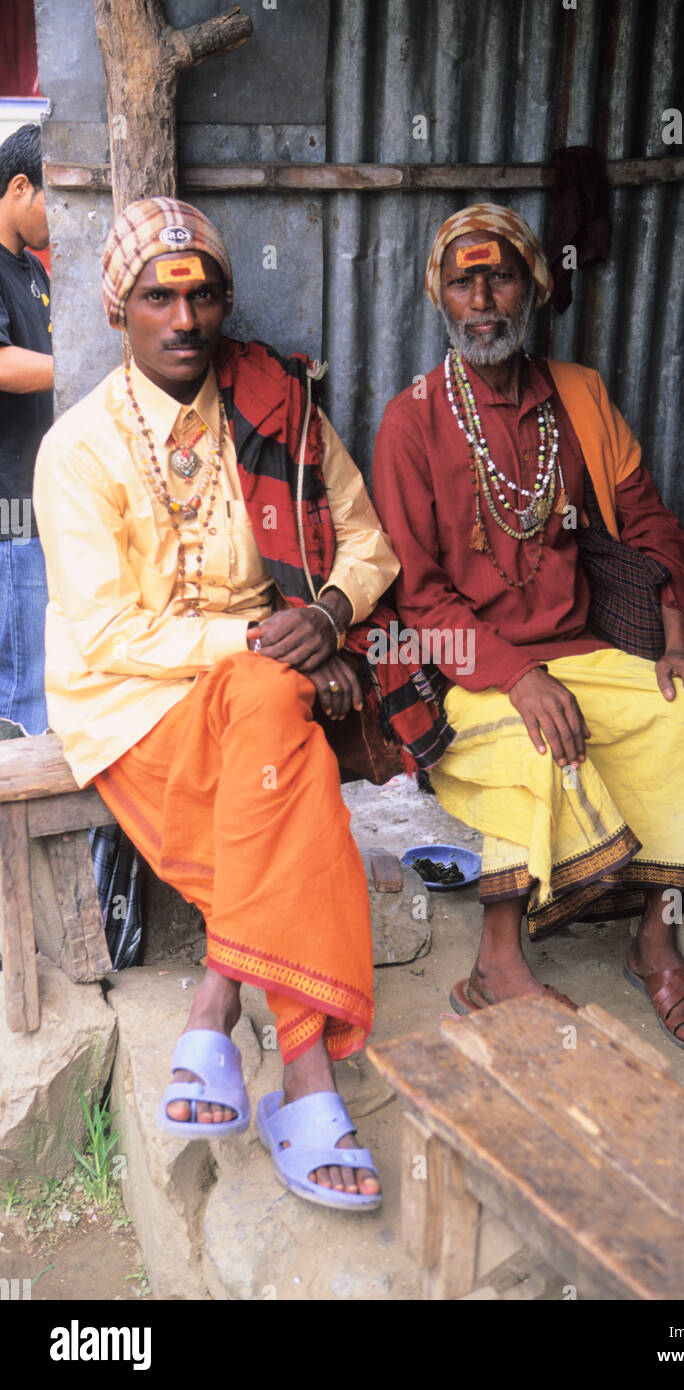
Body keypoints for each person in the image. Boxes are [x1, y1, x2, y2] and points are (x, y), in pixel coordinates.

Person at [34, 196, 402, 1209]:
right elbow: (107, 636)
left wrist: (324, 615)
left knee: (271, 717)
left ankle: (220, 1002)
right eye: (160, 296)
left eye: (202, 297)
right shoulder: (77, 451)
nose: (184, 320)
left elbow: (371, 547)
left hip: (263, 691)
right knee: (282, 734)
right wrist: (257, 642)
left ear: (223, 304)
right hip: (132, 704)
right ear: (121, 312)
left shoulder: (274, 415)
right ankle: (305, 1064)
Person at [372, 203, 684, 1051]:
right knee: (537, 745)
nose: (483, 298)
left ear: (534, 288)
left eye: (501, 277)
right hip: (462, 667)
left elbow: (650, 525)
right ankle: (498, 963)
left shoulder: (579, 396)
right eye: (464, 280)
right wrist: (517, 677)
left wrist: (676, 635)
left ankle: (652, 941)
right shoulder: (410, 420)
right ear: (440, 298)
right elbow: (418, 598)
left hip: (580, 648)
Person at [0, 122, 52, 734]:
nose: (58, 218)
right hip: (8, 510)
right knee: (21, 694)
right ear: (20, 186)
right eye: (53, 198)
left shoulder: (31, 272)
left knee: (36, 672)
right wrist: (90, 373)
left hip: (36, 504)